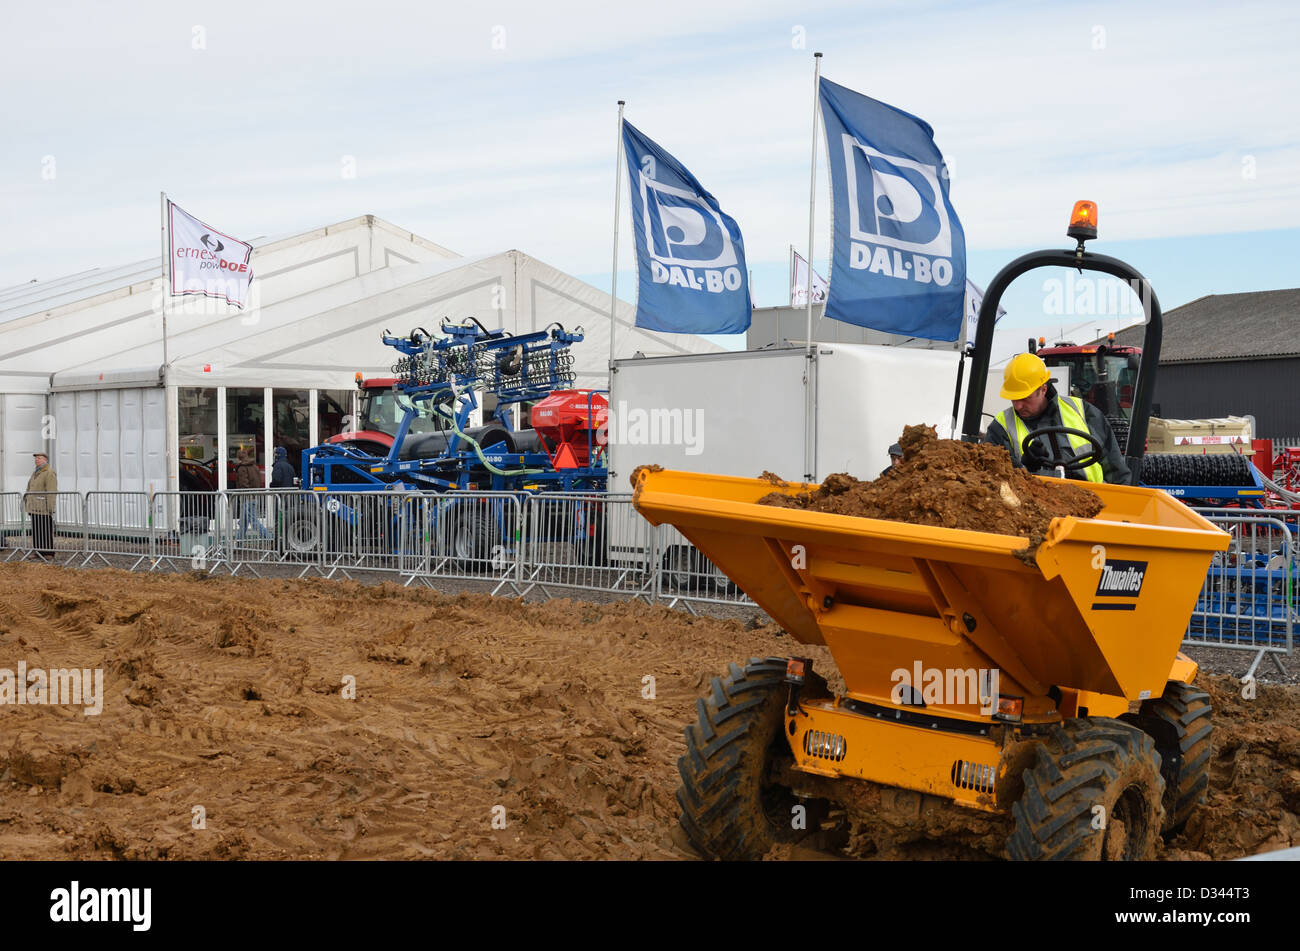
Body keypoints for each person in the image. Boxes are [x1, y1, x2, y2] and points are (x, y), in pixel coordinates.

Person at [985, 352, 1131, 484]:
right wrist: (1025, 467)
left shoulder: (1083, 412)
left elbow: (1116, 469)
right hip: (1035, 506)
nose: (1017, 406)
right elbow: (995, 479)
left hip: (1093, 500)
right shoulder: (1001, 427)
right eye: (1013, 399)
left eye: (1024, 398)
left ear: (1043, 389)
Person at [25, 452, 57, 558]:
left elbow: (52, 491)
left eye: (39, 458)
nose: (36, 460)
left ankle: (48, 553)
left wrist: (50, 508)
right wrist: (27, 502)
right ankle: (38, 551)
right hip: (34, 506)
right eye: (36, 458)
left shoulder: (49, 472)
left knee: (45, 530)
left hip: (43, 507)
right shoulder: (35, 473)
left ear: (45, 460)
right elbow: (29, 488)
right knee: (37, 530)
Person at [233, 448, 269, 540]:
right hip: (253, 496)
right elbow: (259, 482)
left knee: (253, 522)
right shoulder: (254, 466)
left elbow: (243, 484)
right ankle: (238, 542)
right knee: (244, 523)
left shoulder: (242, 468)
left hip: (246, 498)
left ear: (239, 458)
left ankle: (270, 538)